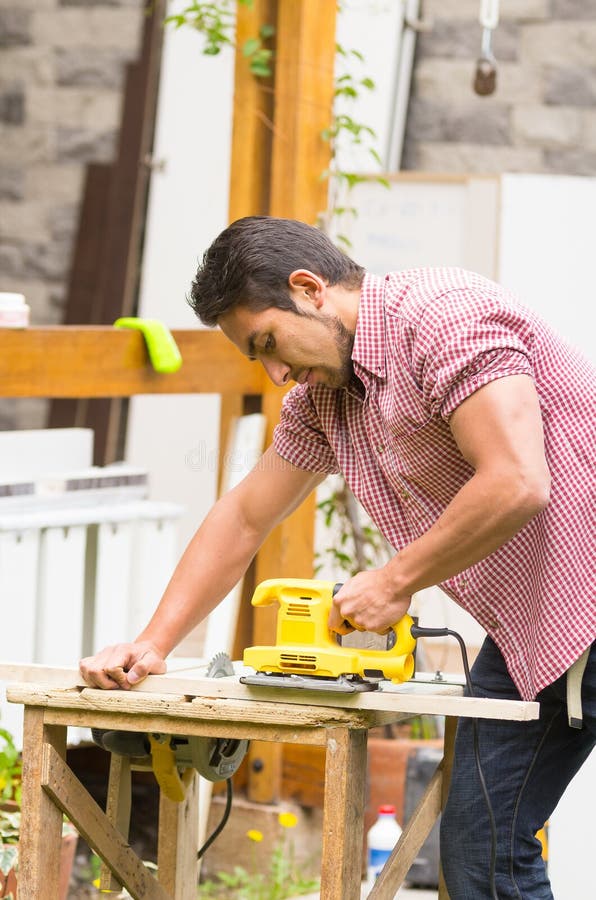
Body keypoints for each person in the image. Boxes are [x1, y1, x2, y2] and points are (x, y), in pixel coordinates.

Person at [80, 215, 595, 899]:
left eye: (268, 342)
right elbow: (243, 516)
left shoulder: (445, 318)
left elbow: (516, 480)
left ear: (309, 288)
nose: (275, 372)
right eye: (254, 359)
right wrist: (153, 644)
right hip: (539, 628)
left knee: (487, 851)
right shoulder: (325, 398)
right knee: (481, 852)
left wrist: (395, 578)